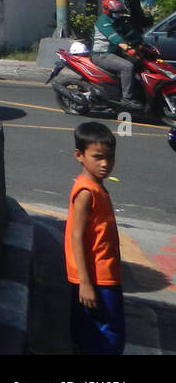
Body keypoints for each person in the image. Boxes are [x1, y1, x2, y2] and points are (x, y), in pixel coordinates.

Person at [64, 121, 124, 355]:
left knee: (95, 335)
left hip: (104, 275)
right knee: (105, 339)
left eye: (110, 157)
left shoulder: (96, 187)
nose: (105, 164)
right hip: (97, 279)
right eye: (98, 157)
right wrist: (86, 284)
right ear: (79, 155)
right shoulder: (87, 192)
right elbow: (76, 237)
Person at [92, 0, 145, 111]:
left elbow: (130, 33)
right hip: (101, 55)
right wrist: (128, 49)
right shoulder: (103, 22)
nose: (119, 14)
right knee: (127, 67)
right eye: (116, 12)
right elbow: (116, 39)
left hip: (115, 54)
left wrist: (142, 42)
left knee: (139, 63)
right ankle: (127, 99)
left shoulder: (118, 21)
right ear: (108, 10)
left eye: (120, 12)